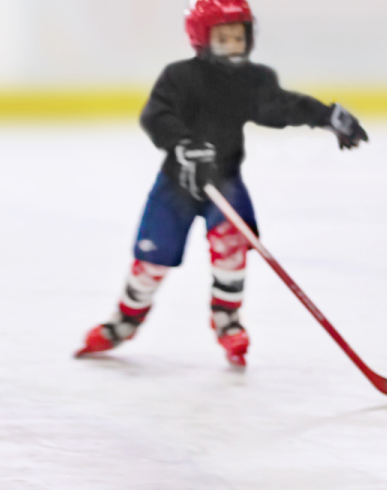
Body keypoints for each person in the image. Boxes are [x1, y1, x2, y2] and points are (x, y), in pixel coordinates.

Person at [76, 0, 369, 367]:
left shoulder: (253, 80)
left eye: (238, 36)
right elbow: (157, 114)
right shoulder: (179, 76)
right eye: (223, 37)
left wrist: (326, 116)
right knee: (152, 260)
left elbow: (279, 106)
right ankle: (125, 320)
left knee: (231, 250)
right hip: (176, 185)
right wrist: (182, 143)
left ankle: (227, 320)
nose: (233, 44)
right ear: (201, 38)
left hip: (224, 180)